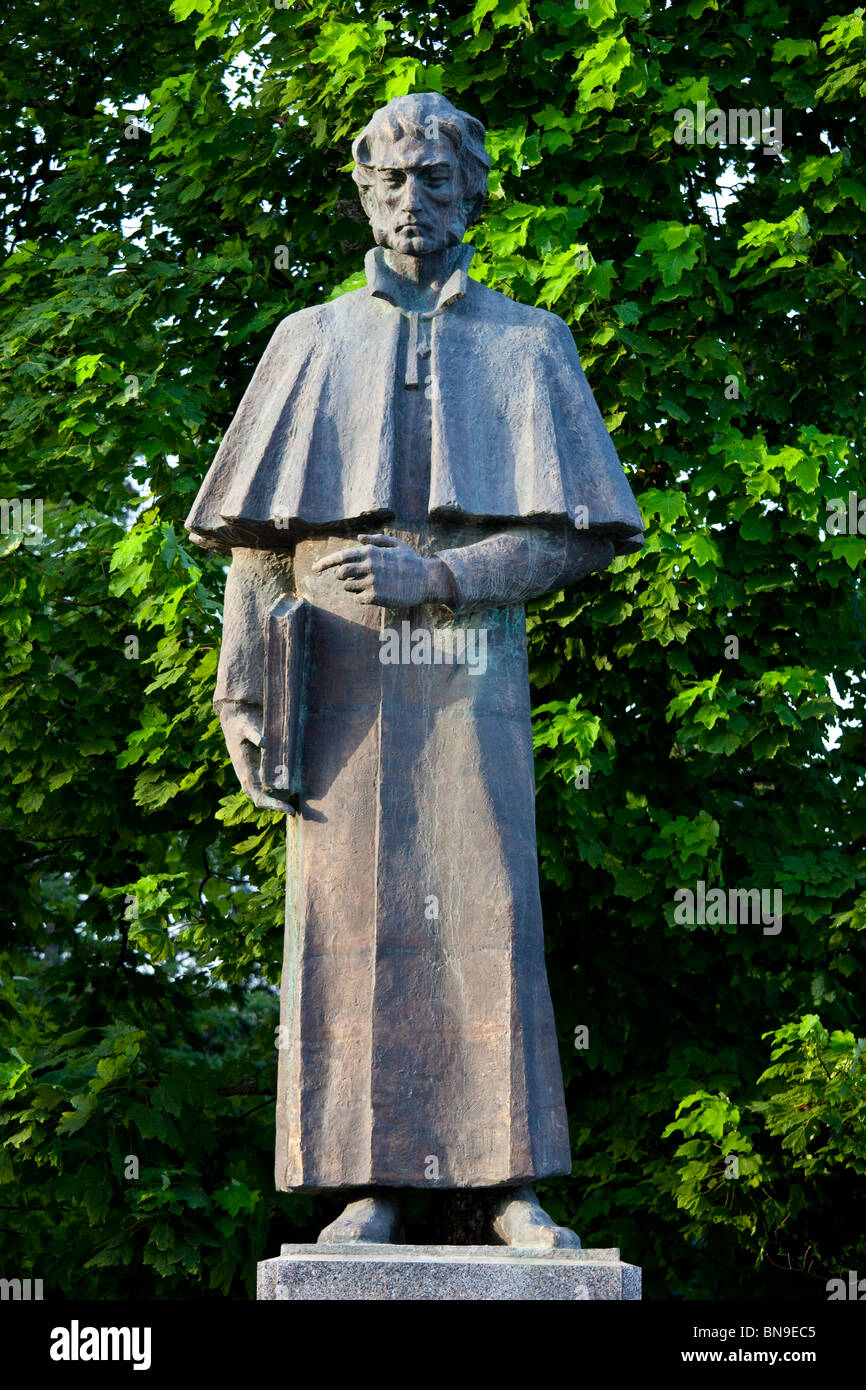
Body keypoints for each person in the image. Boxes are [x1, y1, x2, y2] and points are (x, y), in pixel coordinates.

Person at [186, 92, 643, 1246]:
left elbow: (577, 532)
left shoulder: (526, 341)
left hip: (465, 673)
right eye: (389, 183)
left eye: (433, 182)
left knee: (486, 906)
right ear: (362, 193)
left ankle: (507, 1184)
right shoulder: (309, 340)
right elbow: (255, 540)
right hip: (332, 678)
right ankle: (366, 1181)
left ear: (470, 193)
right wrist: (243, 687)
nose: (409, 204)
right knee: (345, 920)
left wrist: (442, 580)